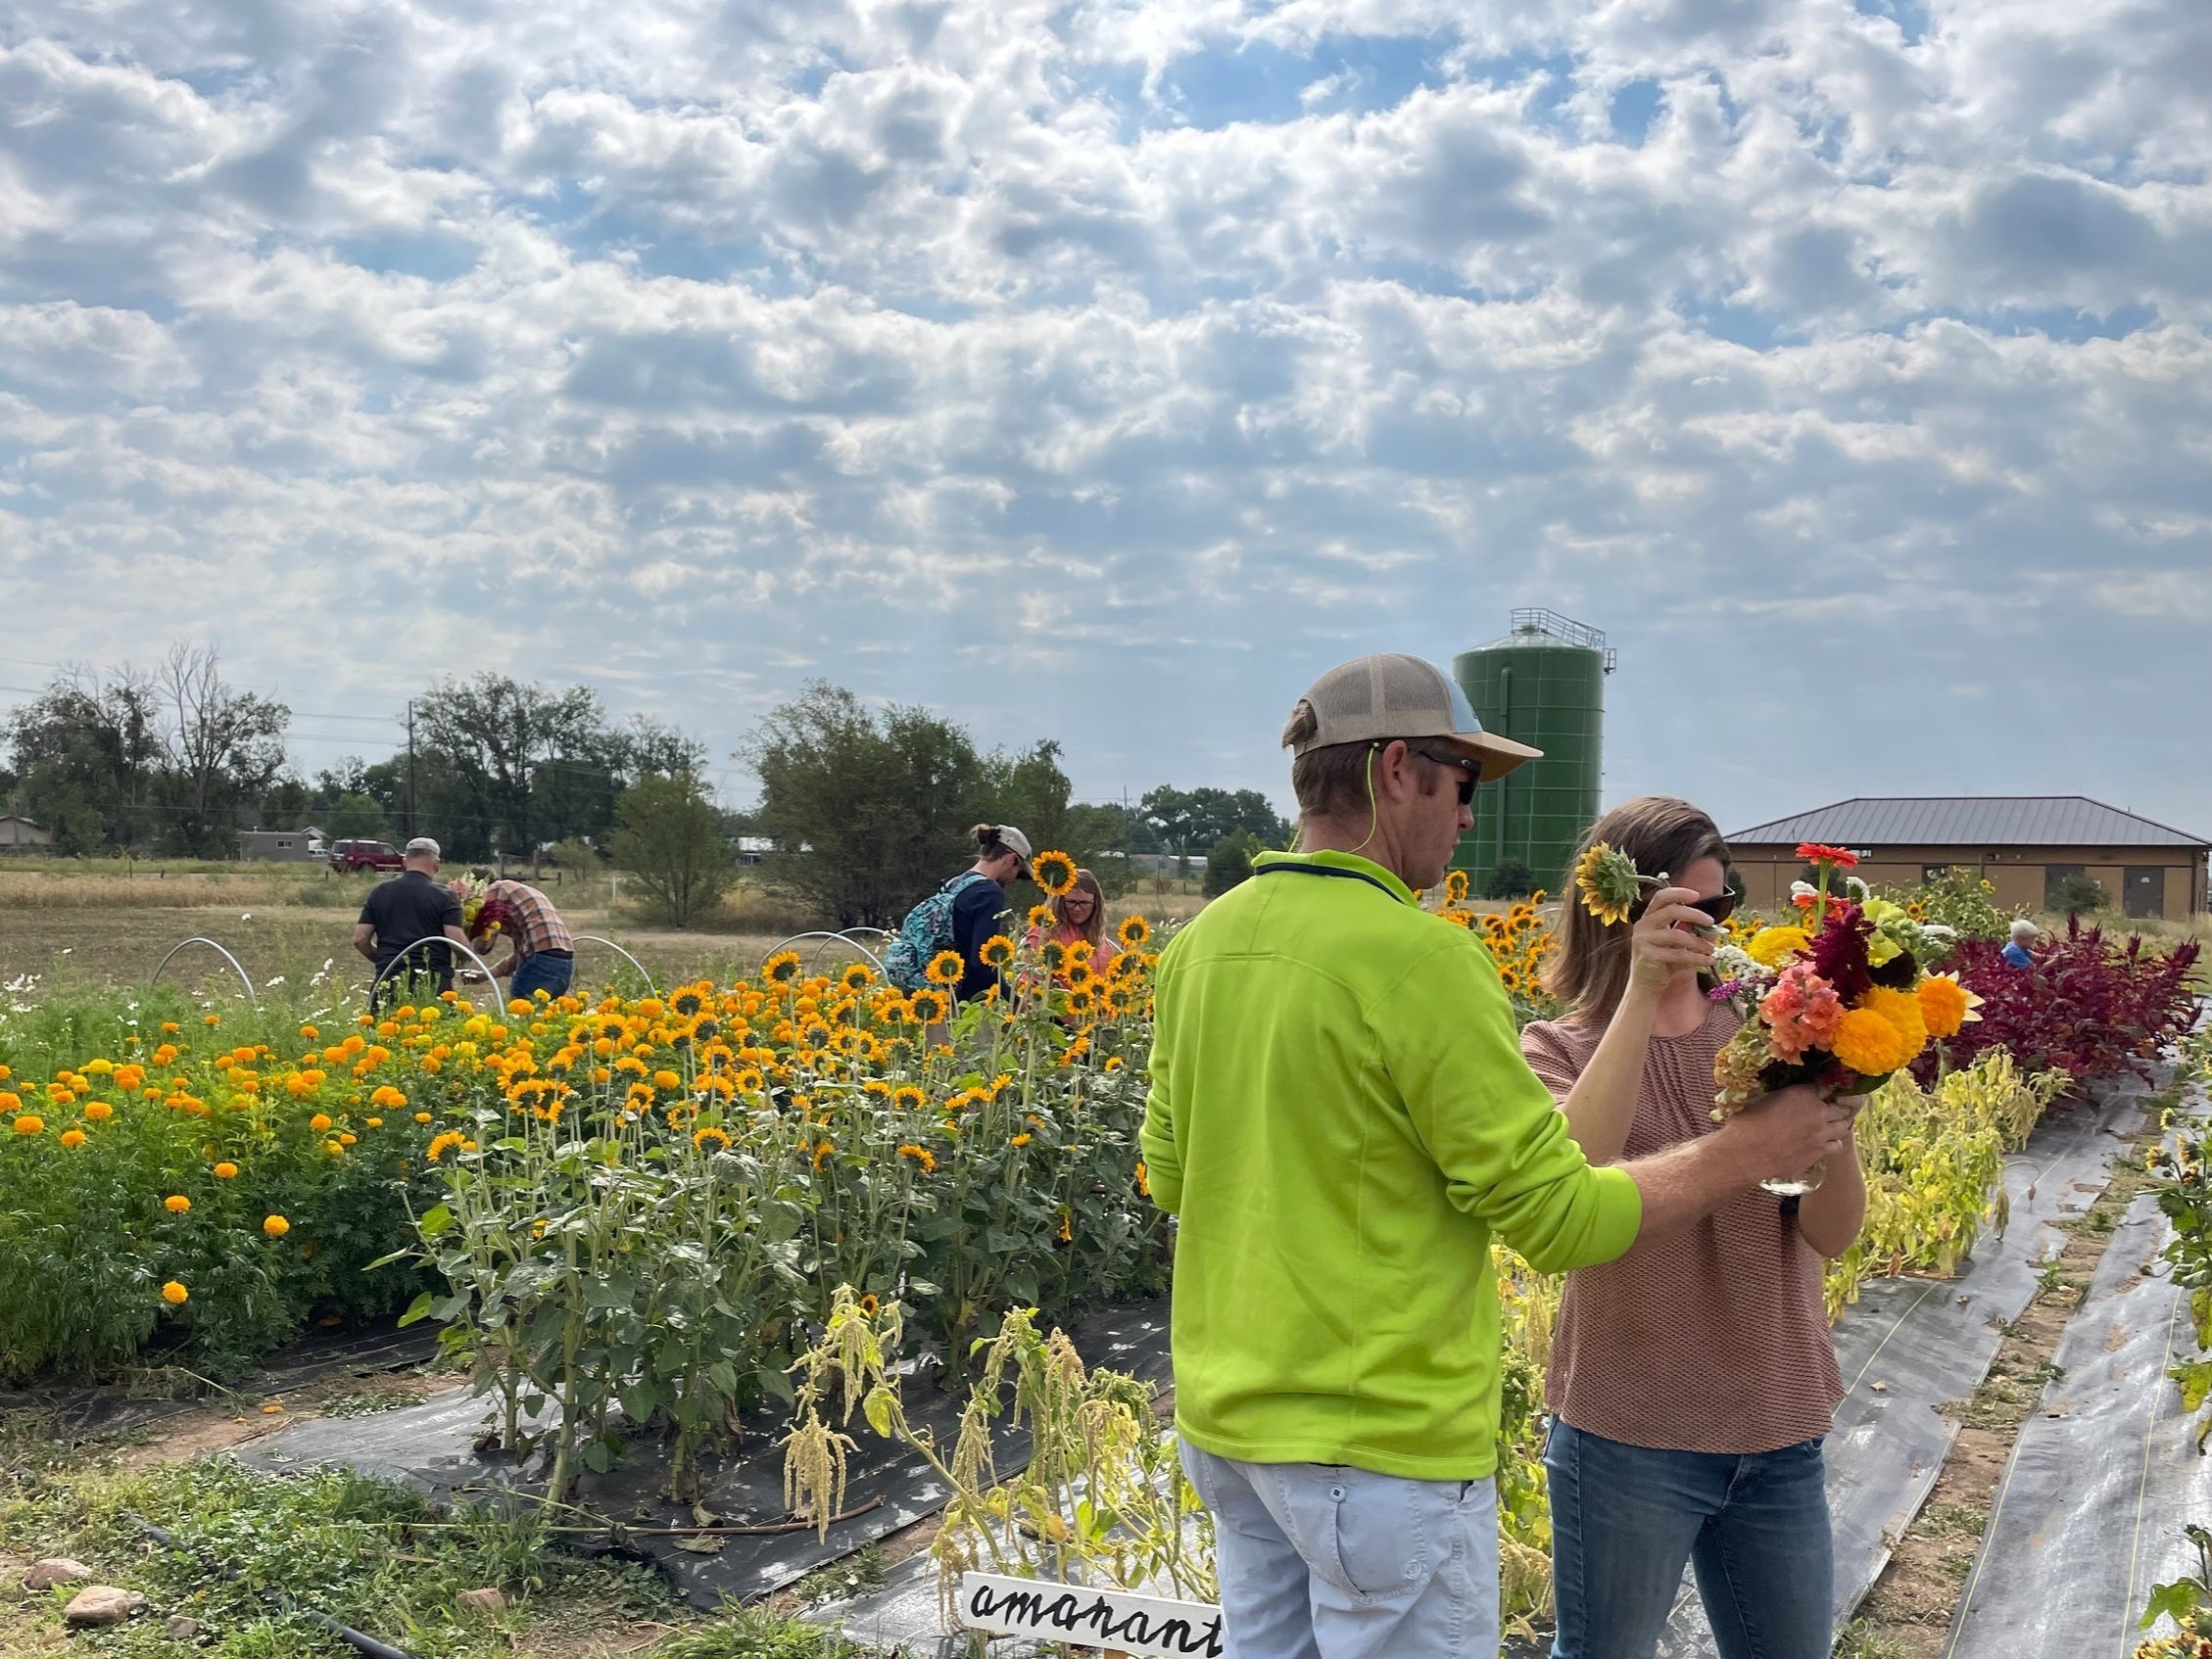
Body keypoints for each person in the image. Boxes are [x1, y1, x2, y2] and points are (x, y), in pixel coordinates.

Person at [1139, 654, 1853, 1659]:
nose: (1469, 816)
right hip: (1377, 1448)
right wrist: (1745, 1149)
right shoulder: (1418, 956)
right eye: (1461, 784)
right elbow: (1557, 1217)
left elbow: (1169, 1175)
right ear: (1396, 769)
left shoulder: (1199, 944)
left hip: (1229, 1433)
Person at [1520, 798, 1867, 1659]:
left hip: (1777, 1416)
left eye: (1718, 909)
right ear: (1620, 905)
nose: (1704, 929)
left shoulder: (1765, 1035)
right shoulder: (1556, 1047)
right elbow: (1573, 1176)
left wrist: (1835, 1116)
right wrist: (1640, 991)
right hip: (1629, 1427)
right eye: (1682, 909)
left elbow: (1832, 1233)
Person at [354, 837, 469, 1010]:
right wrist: (464, 957)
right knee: (433, 1033)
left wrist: (385, 960)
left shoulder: (380, 892)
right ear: (436, 864)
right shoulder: (444, 896)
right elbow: (458, 944)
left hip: (389, 978)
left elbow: (360, 939)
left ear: (404, 862)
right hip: (432, 981)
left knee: (384, 1033)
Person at [461, 877, 577, 1007]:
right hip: (565, 965)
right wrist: (484, 975)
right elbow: (523, 955)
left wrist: (470, 930)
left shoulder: (496, 888)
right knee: (544, 1020)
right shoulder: (524, 897)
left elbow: (486, 940)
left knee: (519, 1015)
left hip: (541, 964)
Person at [1025, 867, 1119, 979]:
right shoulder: (1044, 934)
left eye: (1084, 903)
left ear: (1095, 904)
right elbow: (1028, 981)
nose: (1077, 909)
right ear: (1060, 902)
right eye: (1071, 902)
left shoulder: (1099, 938)